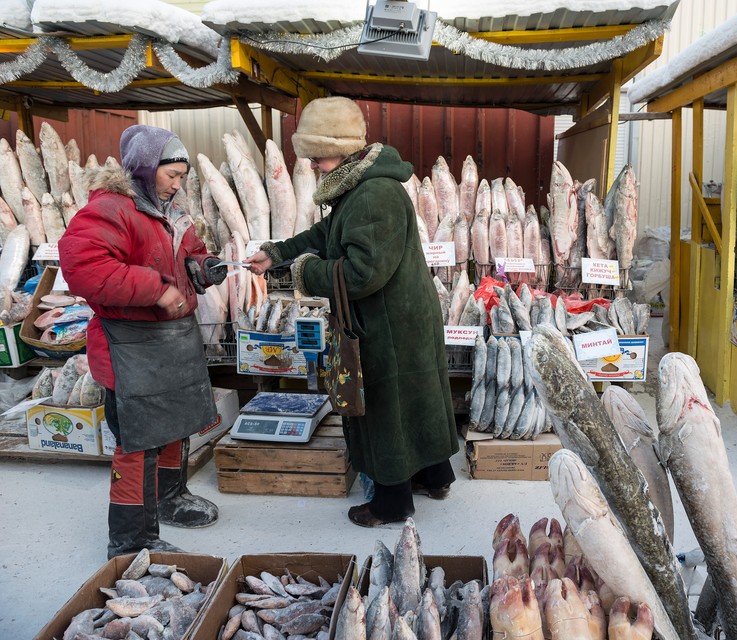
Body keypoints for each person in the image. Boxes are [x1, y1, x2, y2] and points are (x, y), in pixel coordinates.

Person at [246, 97, 460, 528]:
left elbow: (363, 274)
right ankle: (433, 476)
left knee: (385, 405)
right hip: (401, 317)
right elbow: (328, 233)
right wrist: (279, 254)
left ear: (341, 148)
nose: (314, 165)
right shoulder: (359, 186)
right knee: (413, 400)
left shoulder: (374, 194)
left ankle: (392, 503)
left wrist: (305, 272)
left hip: (389, 323)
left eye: (317, 155)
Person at [59, 125, 227, 559]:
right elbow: (85, 269)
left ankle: (170, 499)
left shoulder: (168, 208)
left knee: (174, 426)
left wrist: (204, 266)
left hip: (173, 341)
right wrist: (155, 288)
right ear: (146, 169)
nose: (178, 183)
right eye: (171, 174)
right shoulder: (111, 209)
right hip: (130, 346)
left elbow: (189, 249)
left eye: (182, 174)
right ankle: (130, 539)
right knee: (138, 444)